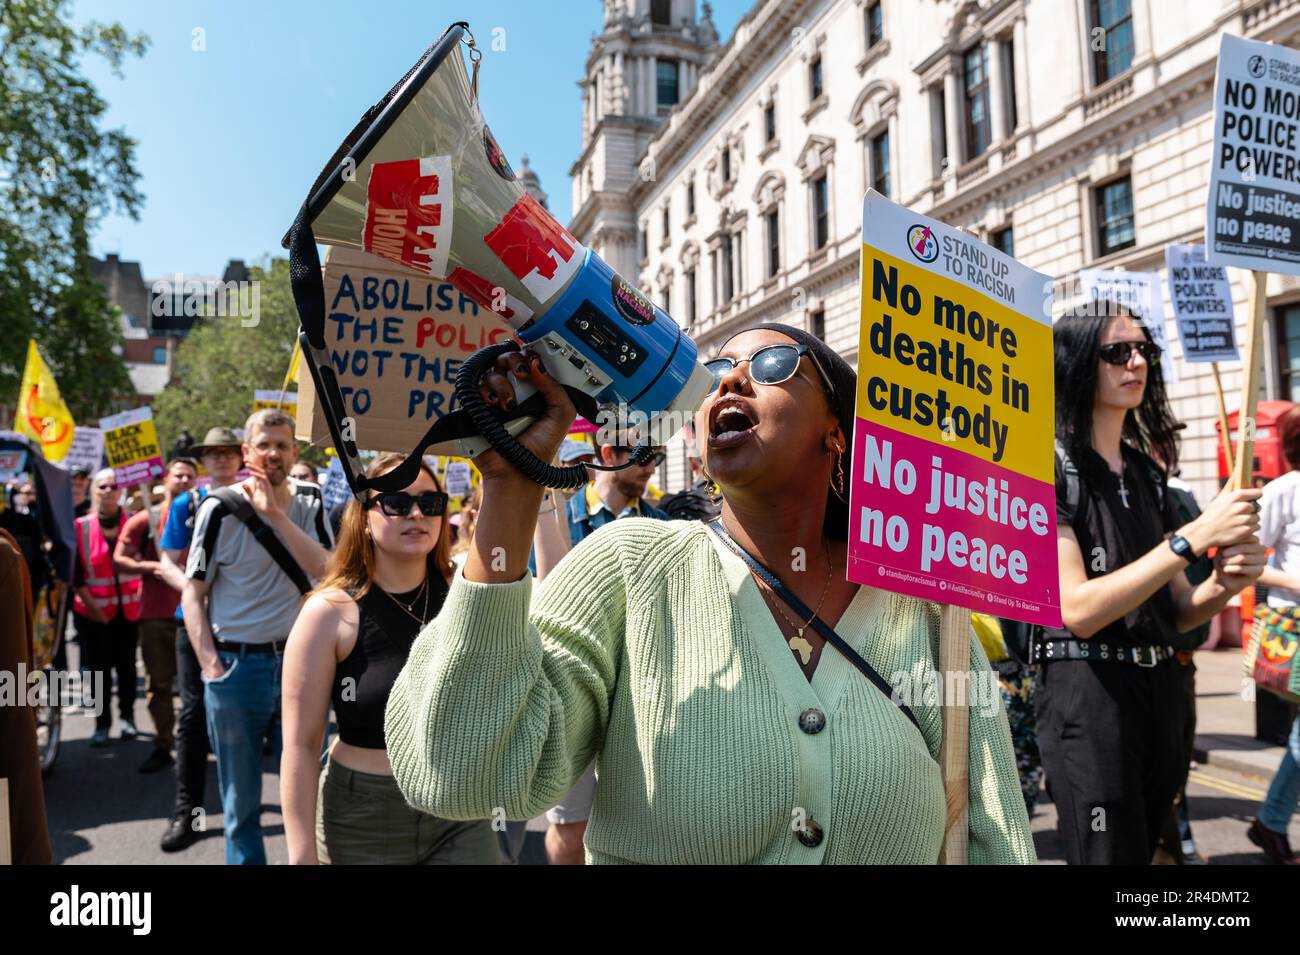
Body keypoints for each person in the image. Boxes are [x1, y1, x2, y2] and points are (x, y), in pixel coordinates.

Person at [384, 324, 1036, 864]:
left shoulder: (923, 607)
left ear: (836, 431)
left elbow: (994, 833)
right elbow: (464, 771)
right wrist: (510, 486)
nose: (729, 379)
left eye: (774, 364)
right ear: (696, 450)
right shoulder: (627, 567)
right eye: (714, 370)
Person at [1039, 305, 1266, 865]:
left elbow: (1181, 611)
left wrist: (1224, 581)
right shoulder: (1051, 465)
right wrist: (1192, 537)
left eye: (1145, 351)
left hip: (1160, 691)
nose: (1136, 362)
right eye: (1117, 352)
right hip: (1090, 694)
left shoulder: (1145, 474)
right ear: (1074, 363)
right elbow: (1079, 609)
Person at [281, 453, 498, 864]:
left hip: (462, 806)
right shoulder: (327, 613)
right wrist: (301, 852)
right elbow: (301, 744)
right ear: (363, 516)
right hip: (364, 814)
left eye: (430, 504)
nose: (416, 514)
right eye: (397, 503)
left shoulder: (467, 594)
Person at [182, 410, 332, 864]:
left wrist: (275, 518)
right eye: (263, 445)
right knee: (241, 802)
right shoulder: (218, 508)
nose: (273, 454)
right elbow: (193, 593)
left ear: (295, 452)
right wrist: (211, 666)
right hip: (237, 668)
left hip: (300, 668)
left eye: (282, 446)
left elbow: (329, 574)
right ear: (247, 451)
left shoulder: (310, 500)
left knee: (309, 797)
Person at [535, 434, 671, 864]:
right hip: (573, 689)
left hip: (640, 697)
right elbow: (542, 599)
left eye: (659, 457)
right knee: (571, 827)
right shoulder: (562, 513)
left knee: (640, 822)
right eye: (646, 457)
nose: (653, 468)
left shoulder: (662, 525)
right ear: (609, 455)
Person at [157, 429, 242, 851]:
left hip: (246, 627)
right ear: (204, 461)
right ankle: (189, 814)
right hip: (192, 625)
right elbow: (167, 562)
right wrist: (194, 587)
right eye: (214, 454)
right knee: (191, 716)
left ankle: (243, 813)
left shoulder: (256, 501)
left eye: (229, 453)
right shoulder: (185, 504)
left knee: (240, 720)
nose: (222, 460)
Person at [114, 457, 198, 773]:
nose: (185, 481)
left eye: (191, 476)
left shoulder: (207, 513)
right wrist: (153, 567)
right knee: (159, 684)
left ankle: (196, 745)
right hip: (156, 615)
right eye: (179, 475)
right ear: (166, 478)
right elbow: (119, 558)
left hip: (198, 614)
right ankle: (163, 743)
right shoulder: (145, 518)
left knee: (198, 687)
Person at [1247, 405, 1300, 865]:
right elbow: (1243, 560)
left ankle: (1271, 821)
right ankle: (1272, 821)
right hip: (1296, 629)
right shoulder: (1285, 490)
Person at [73, 468, 142, 747]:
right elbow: (76, 575)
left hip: (128, 612)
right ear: (94, 491)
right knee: (98, 671)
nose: (109, 491)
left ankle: (128, 718)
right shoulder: (81, 526)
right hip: (93, 614)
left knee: (126, 667)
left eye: (113, 486)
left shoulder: (135, 524)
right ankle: (101, 725)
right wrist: (93, 608)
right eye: (102, 486)